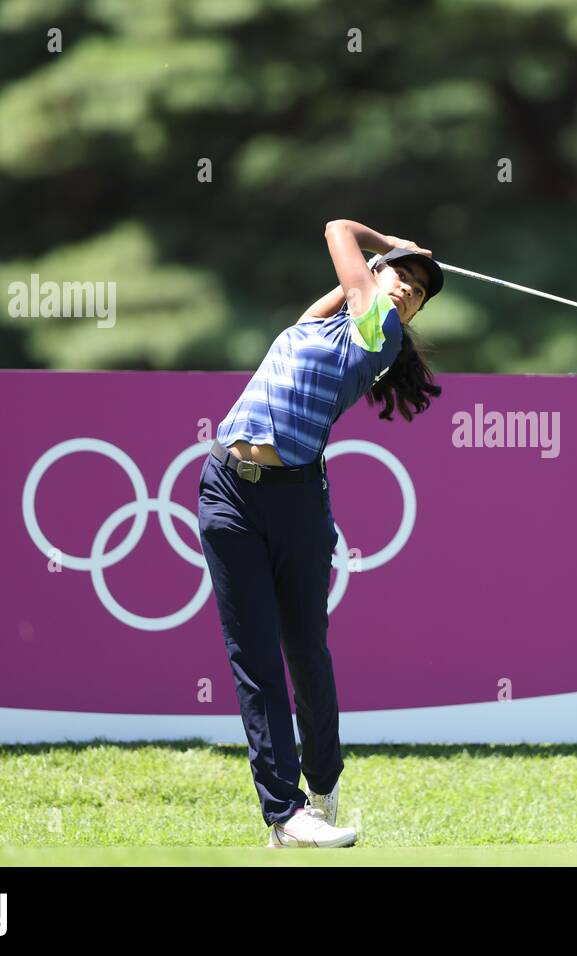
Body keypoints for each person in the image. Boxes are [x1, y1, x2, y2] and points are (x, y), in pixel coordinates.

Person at [197, 219, 443, 848]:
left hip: (296, 502)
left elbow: (338, 230)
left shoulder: (377, 332)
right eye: (403, 280)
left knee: (305, 649)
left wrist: (394, 249)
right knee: (253, 658)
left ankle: (324, 782)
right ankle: (284, 813)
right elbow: (341, 279)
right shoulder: (319, 323)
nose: (407, 294)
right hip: (225, 488)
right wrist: (396, 251)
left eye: (418, 295)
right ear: (379, 273)